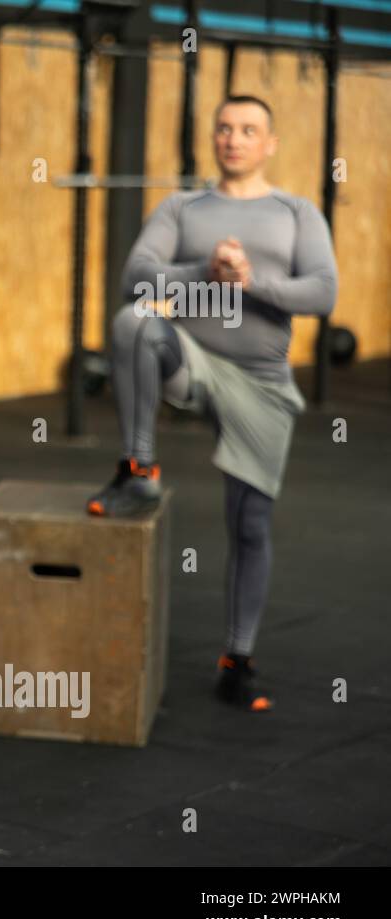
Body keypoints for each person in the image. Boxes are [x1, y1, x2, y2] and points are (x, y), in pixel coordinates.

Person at [85, 95, 338, 712]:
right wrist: (204, 269)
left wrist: (252, 282)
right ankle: (139, 469)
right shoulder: (183, 207)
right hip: (192, 364)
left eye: (248, 130)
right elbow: (137, 276)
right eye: (224, 128)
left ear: (269, 143)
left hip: (262, 381)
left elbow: (323, 291)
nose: (233, 139)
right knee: (133, 321)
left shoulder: (297, 212)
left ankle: (238, 658)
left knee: (249, 523)